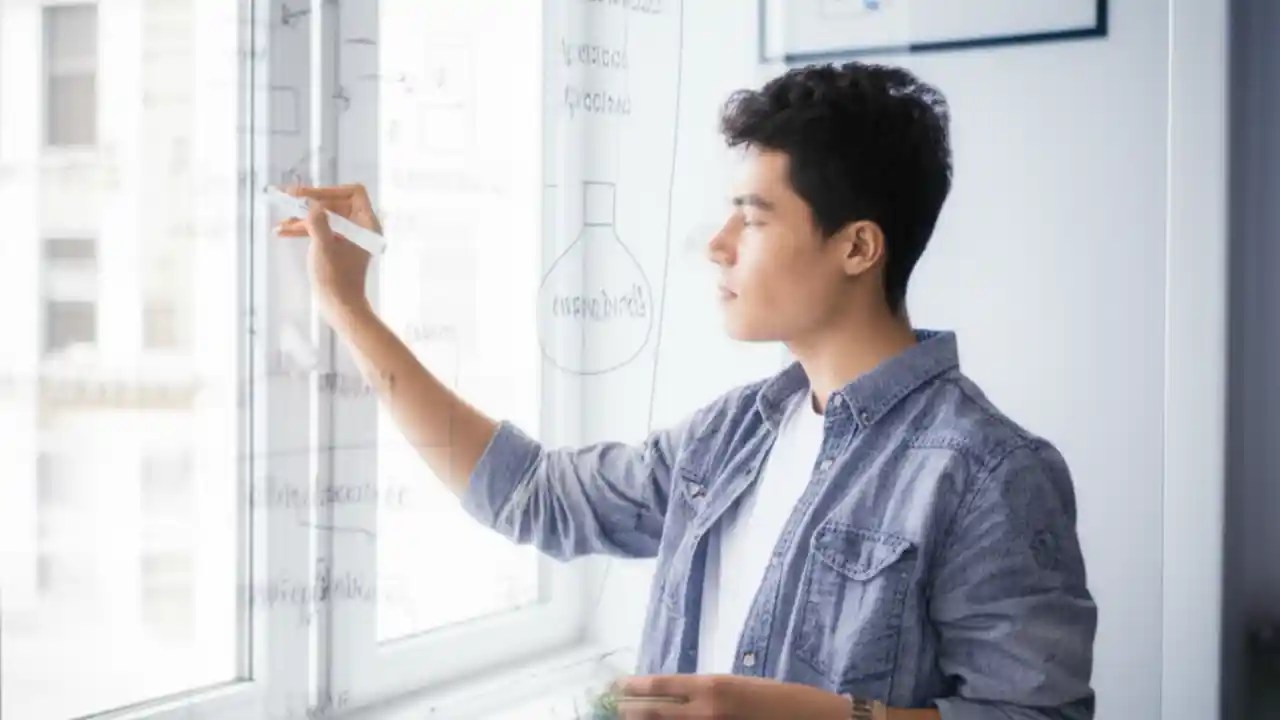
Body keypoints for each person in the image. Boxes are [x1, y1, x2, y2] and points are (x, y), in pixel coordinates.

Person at [278, 61, 1097, 720]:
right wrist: (349, 307)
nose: (717, 244)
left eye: (754, 217)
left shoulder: (989, 472)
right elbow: (530, 493)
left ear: (858, 247)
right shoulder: (732, 435)